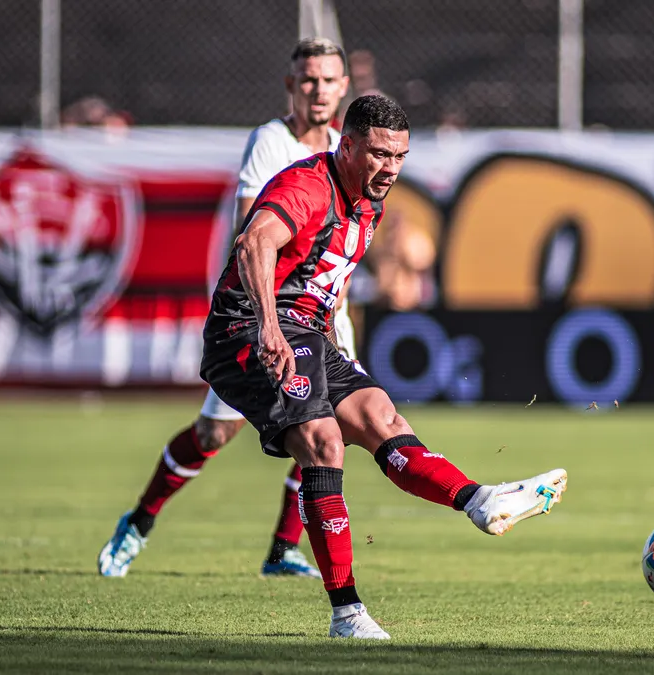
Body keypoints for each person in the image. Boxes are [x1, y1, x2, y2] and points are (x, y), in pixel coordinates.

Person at [201, 93, 568, 640]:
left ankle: (479, 501)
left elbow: (325, 281)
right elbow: (255, 242)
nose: (390, 168)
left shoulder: (371, 203)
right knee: (323, 440)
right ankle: (346, 613)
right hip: (248, 328)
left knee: (381, 416)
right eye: (378, 154)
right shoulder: (306, 187)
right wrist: (271, 329)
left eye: (399, 156)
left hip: (309, 332)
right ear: (346, 146)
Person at [98, 38, 352, 579]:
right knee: (215, 434)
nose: (319, 90)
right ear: (291, 86)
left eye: (329, 80)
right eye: (308, 79)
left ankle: (284, 548)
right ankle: (139, 522)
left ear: (344, 87)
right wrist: (268, 321)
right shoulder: (272, 141)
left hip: (326, 315)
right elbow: (252, 234)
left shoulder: (345, 148)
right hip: (262, 313)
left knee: (325, 428)